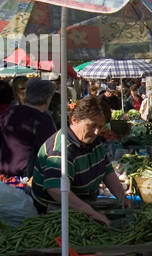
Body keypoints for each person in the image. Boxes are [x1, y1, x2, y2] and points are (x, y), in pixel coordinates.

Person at [30, 96, 129, 225]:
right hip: (54, 212)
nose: (96, 131)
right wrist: (91, 213)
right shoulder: (61, 150)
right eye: (92, 125)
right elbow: (56, 190)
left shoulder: (94, 142)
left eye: (100, 126)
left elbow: (107, 171)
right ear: (74, 120)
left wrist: (123, 198)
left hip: (83, 204)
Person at [0, 78, 57, 179]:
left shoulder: (8, 113)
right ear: (47, 98)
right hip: (28, 179)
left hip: (4, 176)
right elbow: (49, 152)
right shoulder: (43, 120)